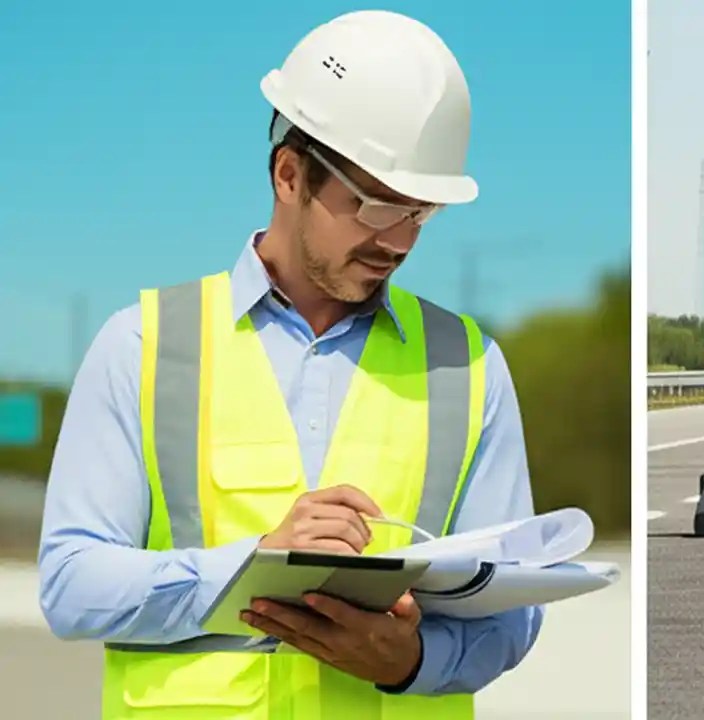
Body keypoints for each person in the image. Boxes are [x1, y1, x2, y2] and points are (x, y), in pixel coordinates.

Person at [36, 10, 542, 718]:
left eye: (420, 213)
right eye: (373, 206)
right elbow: (71, 586)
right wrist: (252, 563)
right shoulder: (144, 347)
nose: (397, 240)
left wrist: (415, 661)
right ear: (288, 174)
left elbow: (511, 614)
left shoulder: (469, 366)